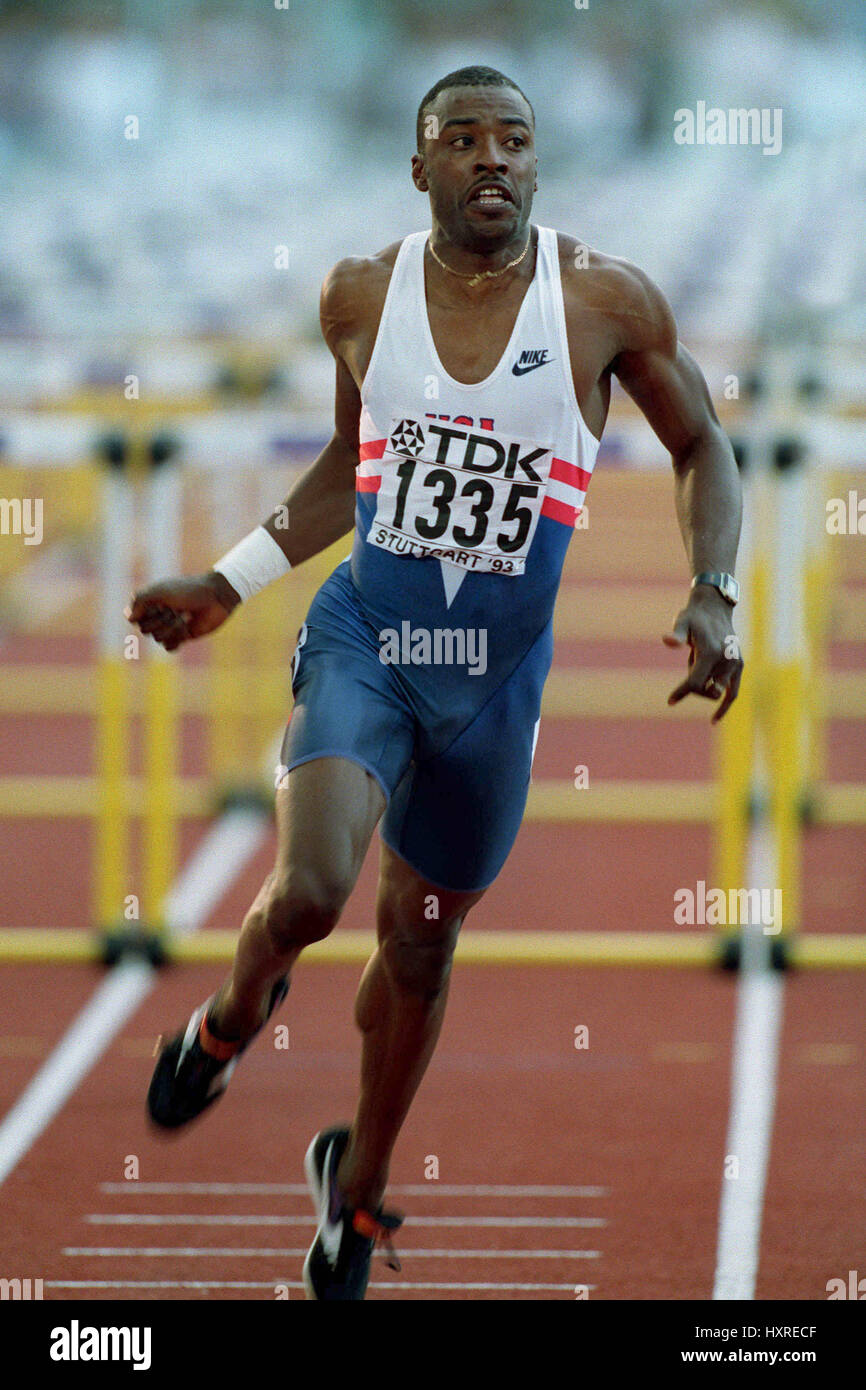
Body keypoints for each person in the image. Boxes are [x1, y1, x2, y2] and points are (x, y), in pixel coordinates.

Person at [128, 65, 744, 1301]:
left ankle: (351, 1196)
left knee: (418, 948)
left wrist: (711, 587)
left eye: (513, 139)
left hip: (494, 685)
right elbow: (339, 475)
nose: (491, 160)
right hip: (370, 640)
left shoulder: (603, 300)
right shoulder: (359, 293)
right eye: (461, 140)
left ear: (537, 161)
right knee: (306, 888)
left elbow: (701, 447)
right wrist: (232, 578)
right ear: (419, 169)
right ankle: (234, 1015)